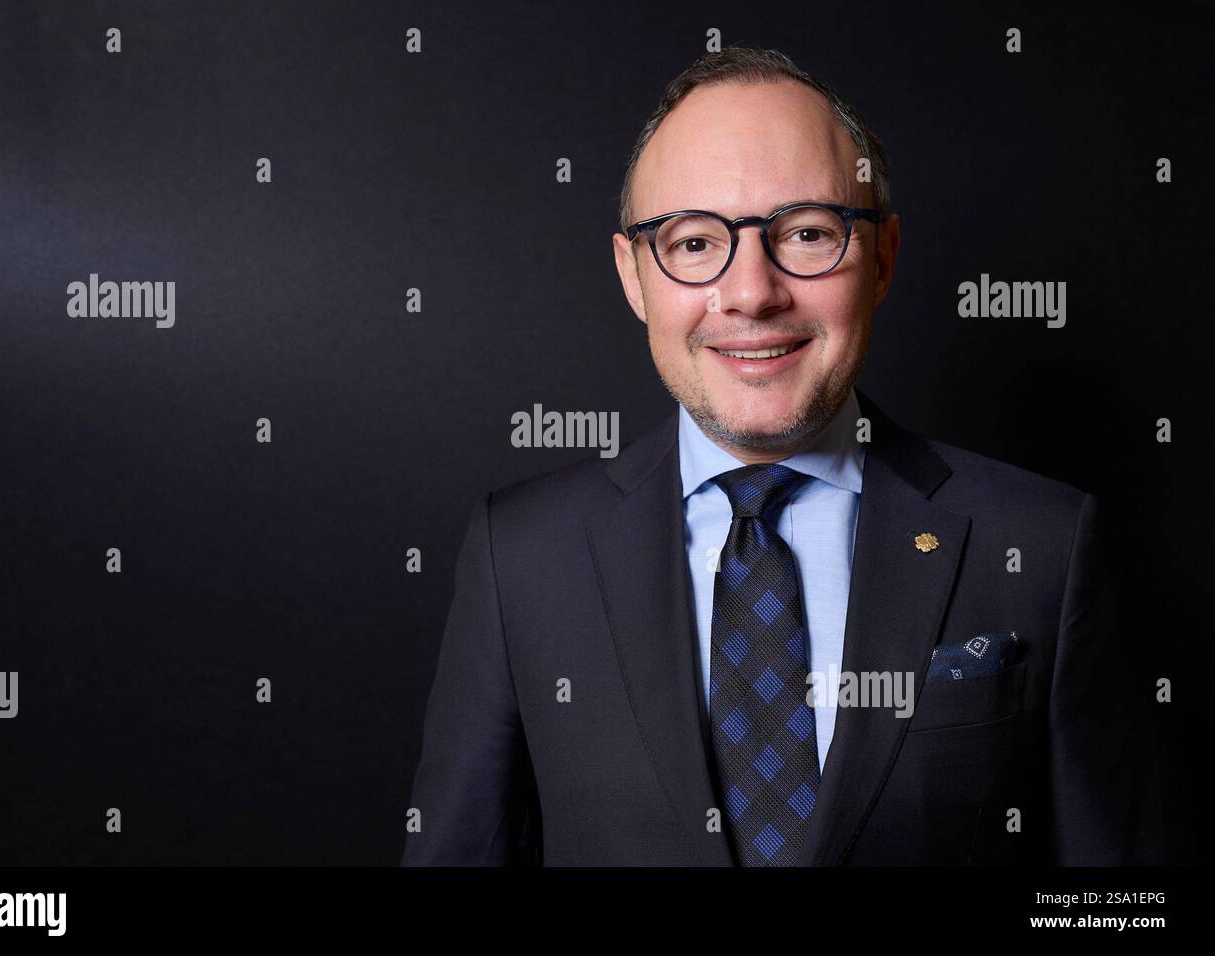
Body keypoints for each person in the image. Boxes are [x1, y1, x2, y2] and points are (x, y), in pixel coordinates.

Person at [400, 47, 1162, 866]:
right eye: (693, 243)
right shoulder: (520, 555)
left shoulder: (1046, 546)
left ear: (884, 259)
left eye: (805, 232)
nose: (753, 292)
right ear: (634, 277)